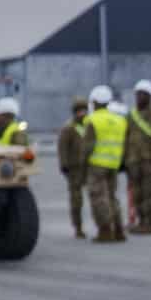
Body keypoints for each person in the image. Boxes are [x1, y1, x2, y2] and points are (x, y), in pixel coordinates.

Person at [86, 86, 128, 243]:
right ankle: (118, 230)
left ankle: (105, 231)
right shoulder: (120, 120)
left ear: (95, 102)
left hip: (97, 163)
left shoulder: (93, 120)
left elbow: (88, 146)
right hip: (114, 164)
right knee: (112, 197)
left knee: (98, 197)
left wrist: (82, 163)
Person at [125, 79, 151, 235]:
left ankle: (150, 223)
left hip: (150, 162)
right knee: (137, 193)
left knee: (150, 193)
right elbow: (126, 137)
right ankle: (141, 222)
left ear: (150, 96)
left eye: (143, 94)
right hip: (133, 161)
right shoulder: (131, 115)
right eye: (138, 94)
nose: (140, 97)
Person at [58, 96, 91, 239]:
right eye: (79, 110)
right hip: (74, 169)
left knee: (98, 196)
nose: (82, 113)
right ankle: (78, 227)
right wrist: (64, 165)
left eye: (84, 110)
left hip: (90, 167)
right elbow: (63, 148)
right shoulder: (68, 128)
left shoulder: (90, 125)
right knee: (76, 200)